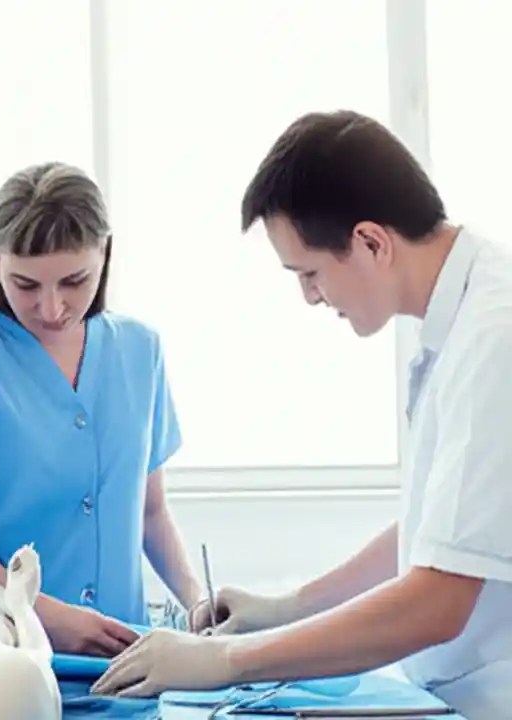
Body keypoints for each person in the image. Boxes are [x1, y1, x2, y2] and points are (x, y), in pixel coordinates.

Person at [91, 110, 512, 720]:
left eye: (310, 273)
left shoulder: (493, 338)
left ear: (371, 242)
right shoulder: (462, 314)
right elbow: (443, 528)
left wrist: (227, 660)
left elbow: (437, 601)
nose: (310, 296)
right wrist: (288, 608)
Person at [0, 161, 205, 658]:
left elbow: (150, 512)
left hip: (126, 659)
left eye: (74, 281)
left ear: (105, 254)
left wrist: (198, 602)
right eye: (26, 285)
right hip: (11, 655)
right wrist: (43, 614)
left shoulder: (139, 349)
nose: (52, 307)